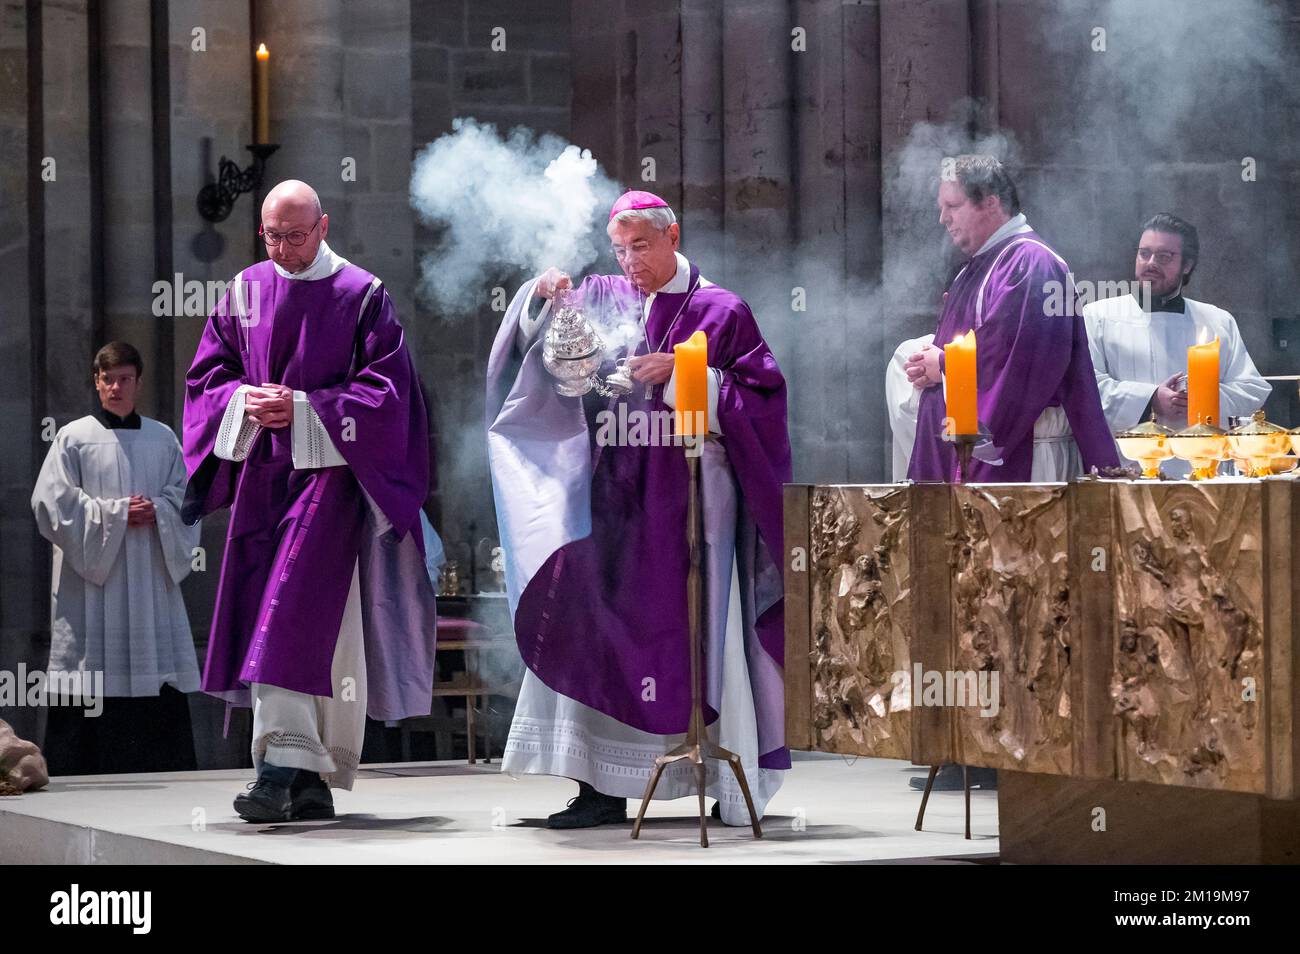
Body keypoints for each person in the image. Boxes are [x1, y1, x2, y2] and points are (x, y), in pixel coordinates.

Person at [487, 190, 791, 828]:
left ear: (672, 236)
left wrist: (687, 374)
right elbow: (541, 349)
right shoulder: (602, 298)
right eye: (620, 250)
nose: (629, 263)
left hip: (692, 503)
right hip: (611, 497)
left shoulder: (721, 308)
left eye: (642, 247)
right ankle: (598, 786)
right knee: (591, 625)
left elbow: (762, 399)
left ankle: (718, 772)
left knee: (695, 628)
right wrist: (541, 297)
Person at [182, 179, 437, 822]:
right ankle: (310, 779)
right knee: (292, 620)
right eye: (272, 235)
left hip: (330, 480)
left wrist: (300, 409)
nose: (285, 248)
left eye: (296, 235)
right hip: (261, 479)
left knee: (290, 614)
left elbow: (390, 396)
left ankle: (275, 771)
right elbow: (207, 381)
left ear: (323, 226)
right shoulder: (243, 291)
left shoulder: (362, 294)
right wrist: (243, 402)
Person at [32, 341, 201, 774]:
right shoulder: (73, 438)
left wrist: (160, 511)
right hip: (92, 587)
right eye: (108, 379)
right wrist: (118, 513)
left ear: (138, 383)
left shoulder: (162, 439)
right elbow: (50, 505)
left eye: (125, 379)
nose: (116, 387)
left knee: (153, 679)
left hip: (148, 579)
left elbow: (187, 501)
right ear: (96, 382)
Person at [906, 155, 1119, 484]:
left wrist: (946, 365)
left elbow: (1020, 360)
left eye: (953, 205)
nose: (942, 218)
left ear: (990, 203)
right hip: (982, 451)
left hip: (1027, 458)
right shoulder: (979, 266)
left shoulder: (1031, 264)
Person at [1083, 212, 1269, 476]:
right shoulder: (1098, 316)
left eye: (1164, 257)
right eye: (1144, 253)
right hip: (1126, 470)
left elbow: (1250, 389)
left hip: (1203, 470)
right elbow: (1087, 388)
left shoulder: (1217, 320)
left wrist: (1203, 398)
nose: (1150, 263)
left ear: (1187, 265)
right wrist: (1150, 399)